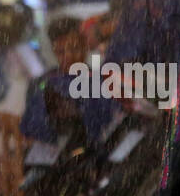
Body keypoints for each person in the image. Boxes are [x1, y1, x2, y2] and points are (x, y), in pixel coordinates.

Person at [19, 16, 114, 148]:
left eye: (74, 49)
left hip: (86, 157)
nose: (68, 57)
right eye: (60, 52)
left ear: (85, 47)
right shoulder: (42, 83)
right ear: (53, 51)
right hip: (49, 158)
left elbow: (103, 129)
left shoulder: (99, 82)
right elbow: (28, 132)